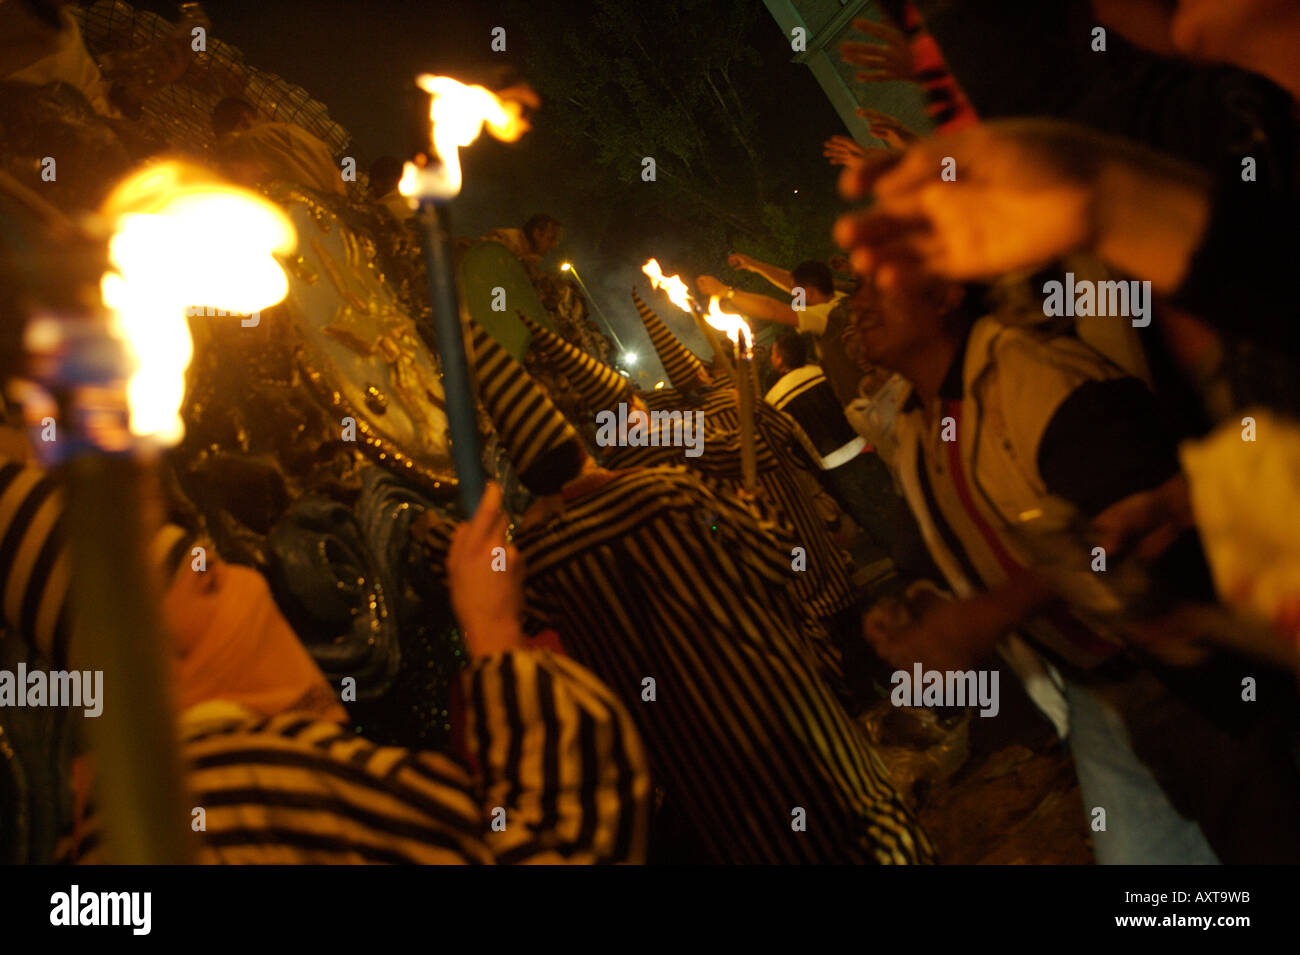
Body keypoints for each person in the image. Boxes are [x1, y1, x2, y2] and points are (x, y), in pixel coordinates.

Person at [415, 321, 934, 864]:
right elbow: (776, 554)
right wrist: (744, 510)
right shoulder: (670, 492)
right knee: (867, 837)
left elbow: (510, 607)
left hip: (702, 774)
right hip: (784, 717)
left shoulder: (540, 559)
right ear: (579, 443)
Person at [842, 270, 1300, 863]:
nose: (858, 304)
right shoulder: (917, 419)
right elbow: (992, 546)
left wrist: (988, 616)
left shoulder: (1035, 377)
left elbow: (1137, 535)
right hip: (1094, 691)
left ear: (945, 293)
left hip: (1185, 670)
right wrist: (937, 611)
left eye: (879, 282)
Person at [62, 483, 650, 864]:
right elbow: (561, 846)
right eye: (209, 580)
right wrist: (494, 631)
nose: (252, 583)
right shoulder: (249, 779)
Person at [766, 329, 900, 553]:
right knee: (889, 496)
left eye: (773, 353)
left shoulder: (774, 399)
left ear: (780, 358)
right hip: (861, 445)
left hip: (828, 465)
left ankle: (894, 551)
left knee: (865, 512)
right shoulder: (820, 372)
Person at [699, 257, 865, 410]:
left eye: (797, 292)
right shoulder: (841, 298)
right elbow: (796, 286)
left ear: (808, 292)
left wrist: (725, 292)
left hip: (867, 405)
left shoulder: (825, 316)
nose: (794, 295)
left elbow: (773, 309)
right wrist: (754, 265)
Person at [211, 96, 347, 198]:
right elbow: (336, 180)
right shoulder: (288, 131)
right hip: (328, 217)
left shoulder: (219, 164)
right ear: (246, 118)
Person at [482, 213, 562, 274]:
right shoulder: (501, 242)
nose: (555, 245)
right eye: (551, 239)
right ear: (537, 234)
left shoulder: (528, 260)